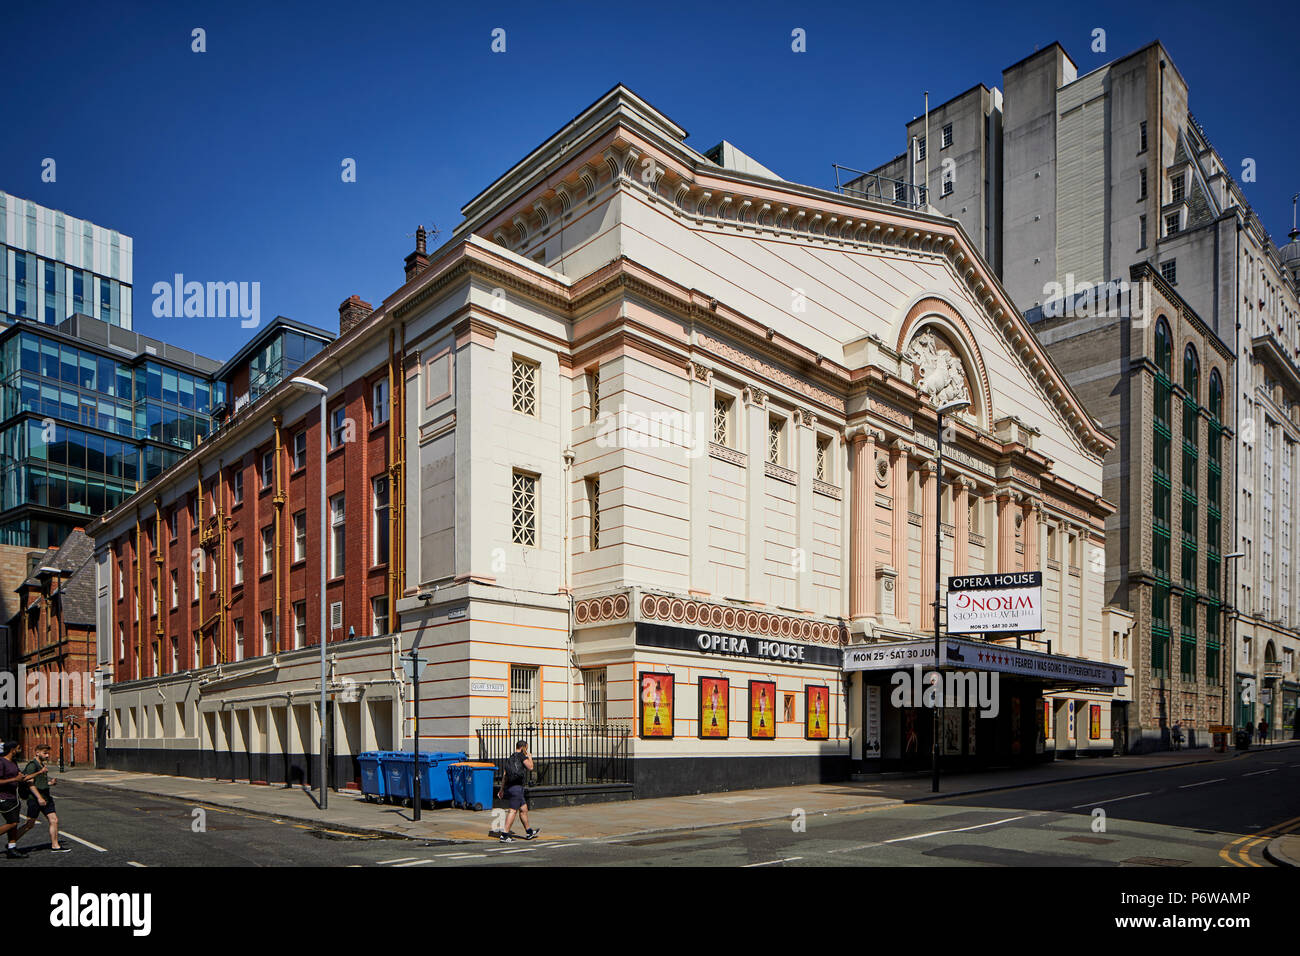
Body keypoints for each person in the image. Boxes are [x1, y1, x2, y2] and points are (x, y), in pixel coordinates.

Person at [0, 741, 42, 859]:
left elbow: (21, 777)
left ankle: (12, 848)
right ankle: (11, 848)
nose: (20, 750)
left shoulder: (13, 762)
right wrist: (14, 779)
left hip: (13, 798)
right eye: (18, 748)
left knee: (14, 824)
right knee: (12, 823)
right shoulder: (1, 762)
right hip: (3, 798)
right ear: (12, 749)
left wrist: (38, 773)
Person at [23, 744, 68, 853]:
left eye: (48, 753)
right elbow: (30, 783)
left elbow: (39, 782)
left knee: (54, 820)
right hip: (35, 799)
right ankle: (12, 842)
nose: (47, 755)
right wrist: (39, 798)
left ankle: (55, 845)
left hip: (46, 798)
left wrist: (50, 783)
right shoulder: (32, 765)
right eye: (45, 753)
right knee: (30, 824)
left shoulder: (41, 765)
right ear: (37, 753)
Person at [495, 740, 539, 843]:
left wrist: (502, 789)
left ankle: (529, 832)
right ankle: (504, 835)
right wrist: (530, 757)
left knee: (523, 809)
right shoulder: (521, 756)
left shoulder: (511, 757)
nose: (526, 750)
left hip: (510, 787)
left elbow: (505, 775)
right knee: (513, 811)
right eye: (526, 748)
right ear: (523, 747)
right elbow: (531, 767)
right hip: (517, 788)